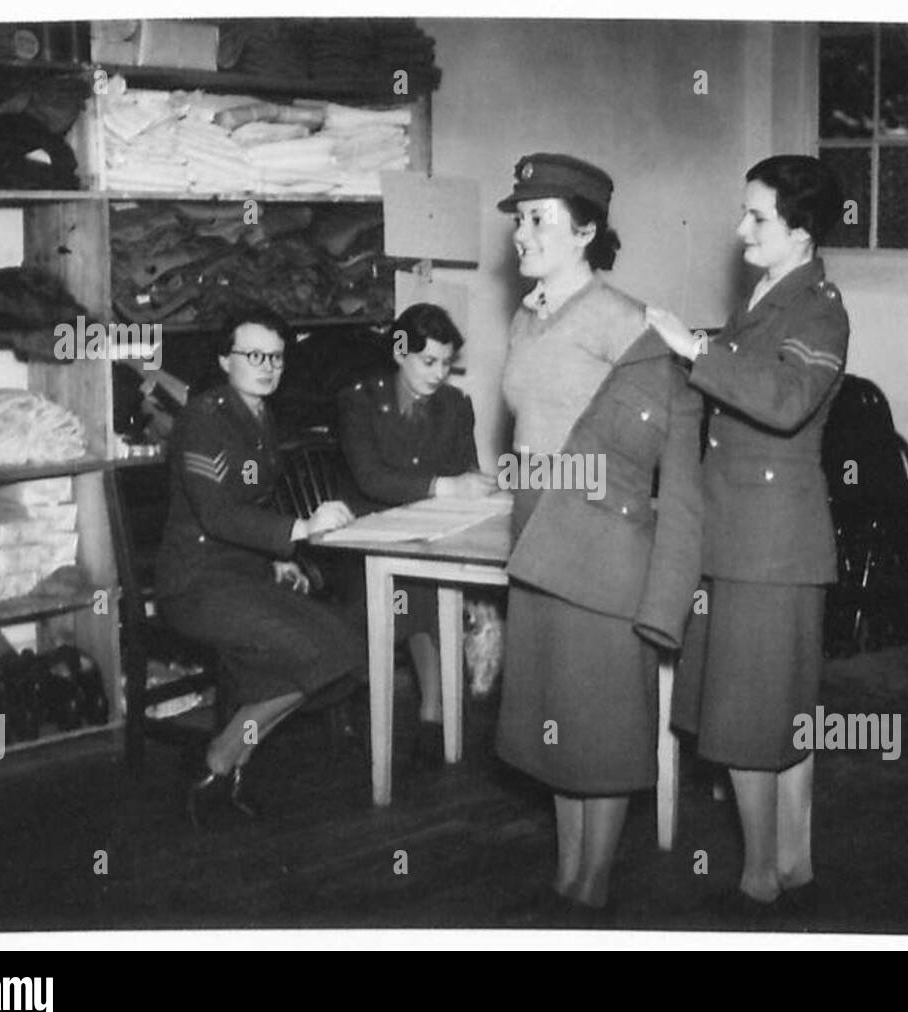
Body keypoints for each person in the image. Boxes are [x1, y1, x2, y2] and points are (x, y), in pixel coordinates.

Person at [496, 153, 703, 914]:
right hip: (536, 537)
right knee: (555, 717)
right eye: (519, 218)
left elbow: (668, 450)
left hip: (602, 547)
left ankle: (595, 885)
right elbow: (529, 434)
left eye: (540, 218)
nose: (523, 233)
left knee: (602, 722)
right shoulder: (527, 314)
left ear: (586, 230)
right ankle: (566, 876)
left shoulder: (627, 320)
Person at [648, 154, 849, 913]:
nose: (740, 231)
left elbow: (788, 397)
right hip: (745, 536)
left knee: (753, 719)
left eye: (757, 216)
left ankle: (760, 878)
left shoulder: (818, 307)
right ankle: (790, 866)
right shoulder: (771, 295)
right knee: (773, 713)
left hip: (773, 546)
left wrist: (696, 349)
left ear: (800, 231)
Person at [156, 305, 363, 827]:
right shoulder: (203, 419)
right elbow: (217, 511)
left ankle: (226, 765)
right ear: (226, 359)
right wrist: (298, 531)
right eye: (253, 355)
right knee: (328, 651)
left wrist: (276, 559)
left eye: (276, 356)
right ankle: (219, 762)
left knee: (338, 646)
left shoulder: (261, 415)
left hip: (241, 578)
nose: (267, 365)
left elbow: (256, 502)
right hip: (196, 584)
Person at [336, 303, 495, 760]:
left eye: (446, 363)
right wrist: (447, 487)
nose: (439, 373)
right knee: (416, 589)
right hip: (365, 540)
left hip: (427, 537)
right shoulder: (360, 399)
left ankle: (431, 713)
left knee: (432, 584)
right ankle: (407, 707)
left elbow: (467, 468)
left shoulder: (455, 405)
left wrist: (480, 485)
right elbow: (371, 479)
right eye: (429, 362)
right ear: (400, 351)